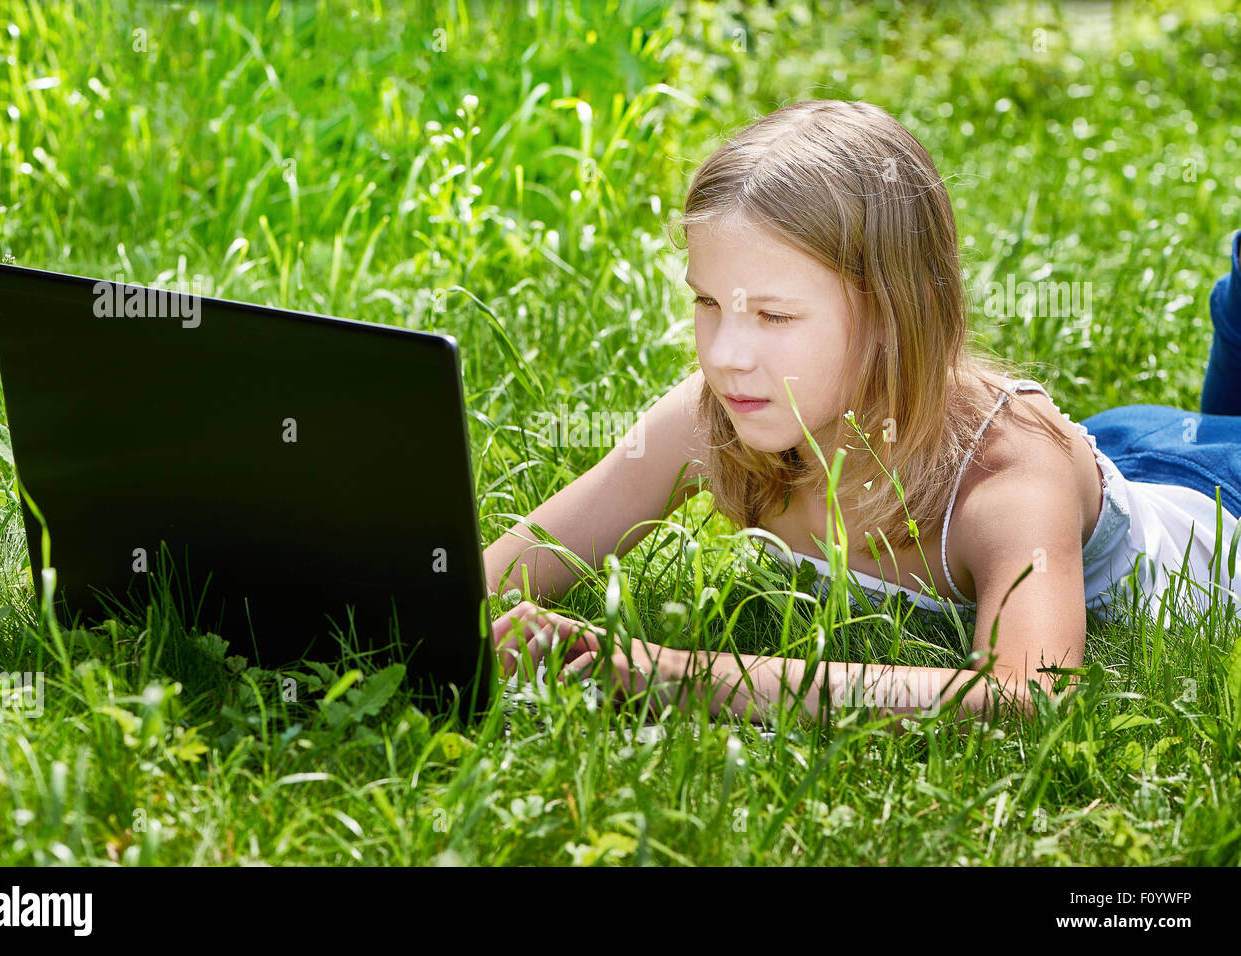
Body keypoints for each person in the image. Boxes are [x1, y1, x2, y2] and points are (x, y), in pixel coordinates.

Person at [484, 98, 1241, 731]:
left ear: (891, 317)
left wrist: (678, 675)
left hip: (1212, 495)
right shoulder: (718, 412)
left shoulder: (1006, 475)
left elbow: (1028, 696)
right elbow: (506, 570)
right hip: (1121, 453)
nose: (726, 355)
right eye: (708, 303)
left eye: (776, 317)